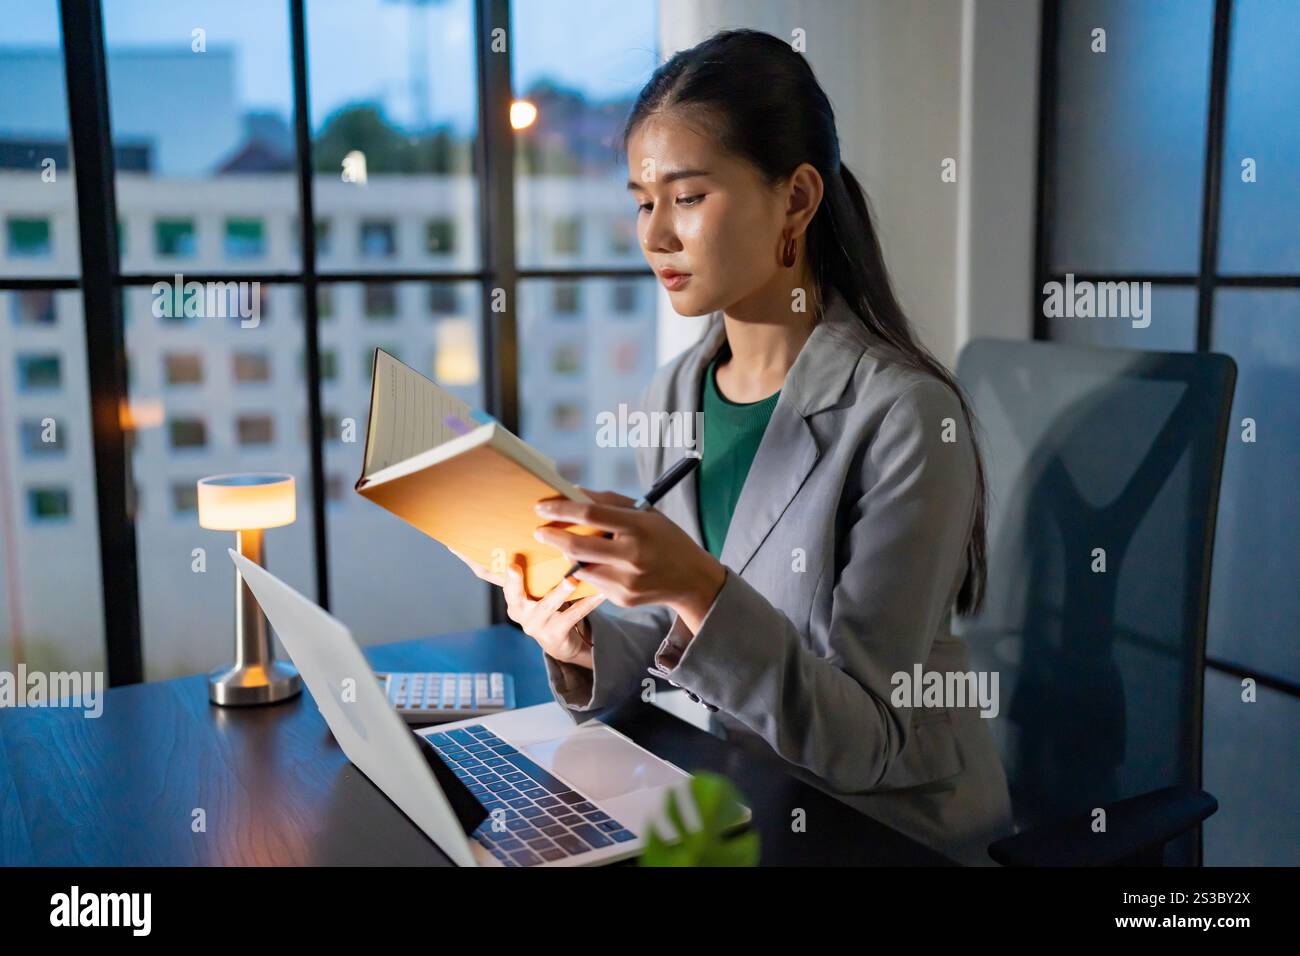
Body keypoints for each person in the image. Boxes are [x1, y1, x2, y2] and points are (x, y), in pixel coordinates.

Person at [450, 28, 1012, 866]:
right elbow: (683, 648)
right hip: (746, 801)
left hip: (887, 830)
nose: (654, 236)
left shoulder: (904, 417)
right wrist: (583, 642)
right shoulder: (672, 397)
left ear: (795, 199)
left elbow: (867, 741)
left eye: (687, 197)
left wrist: (696, 581)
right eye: (643, 201)